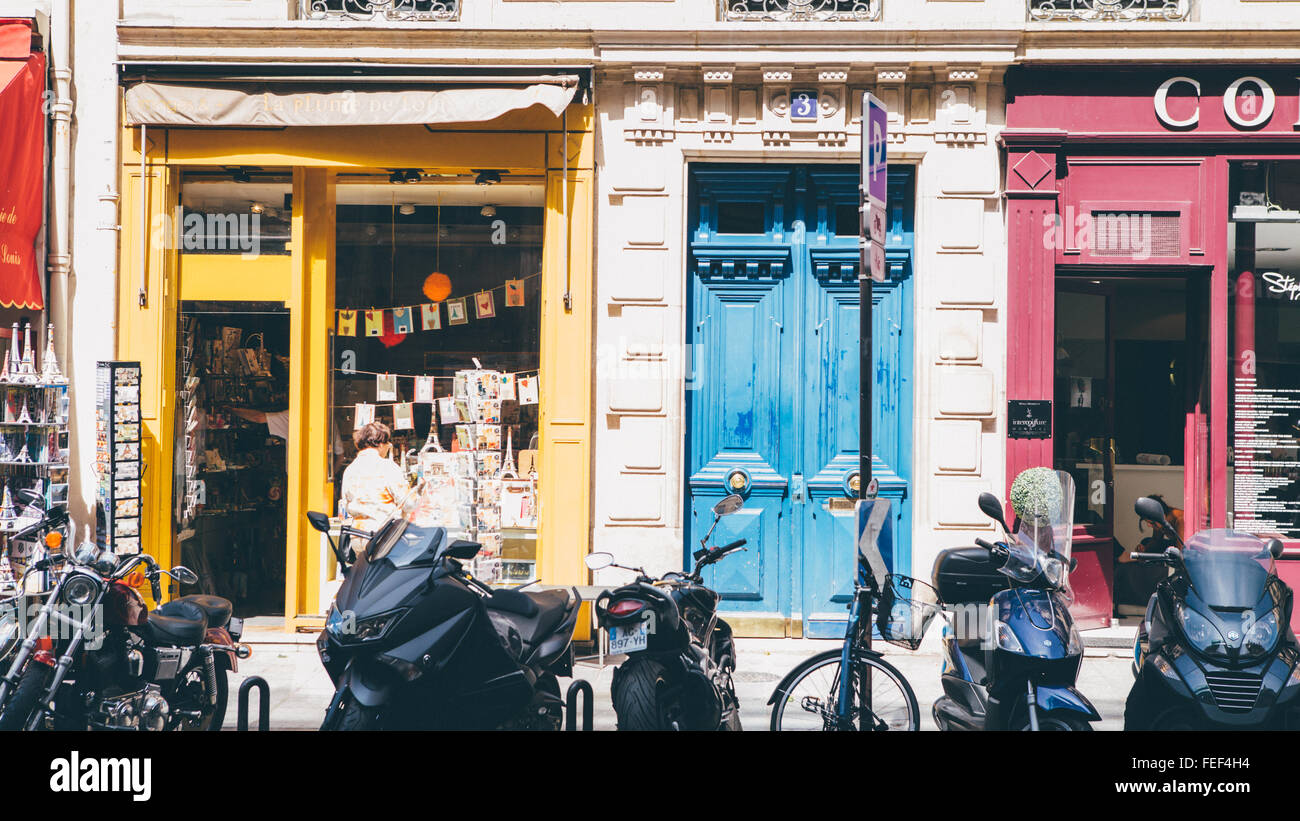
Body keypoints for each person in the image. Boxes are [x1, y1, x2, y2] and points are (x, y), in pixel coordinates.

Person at [340, 421, 411, 534]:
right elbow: (407, 503)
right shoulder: (388, 467)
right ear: (381, 444)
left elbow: (346, 502)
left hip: (357, 534)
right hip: (384, 536)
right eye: (388, 443)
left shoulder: (350, 470)